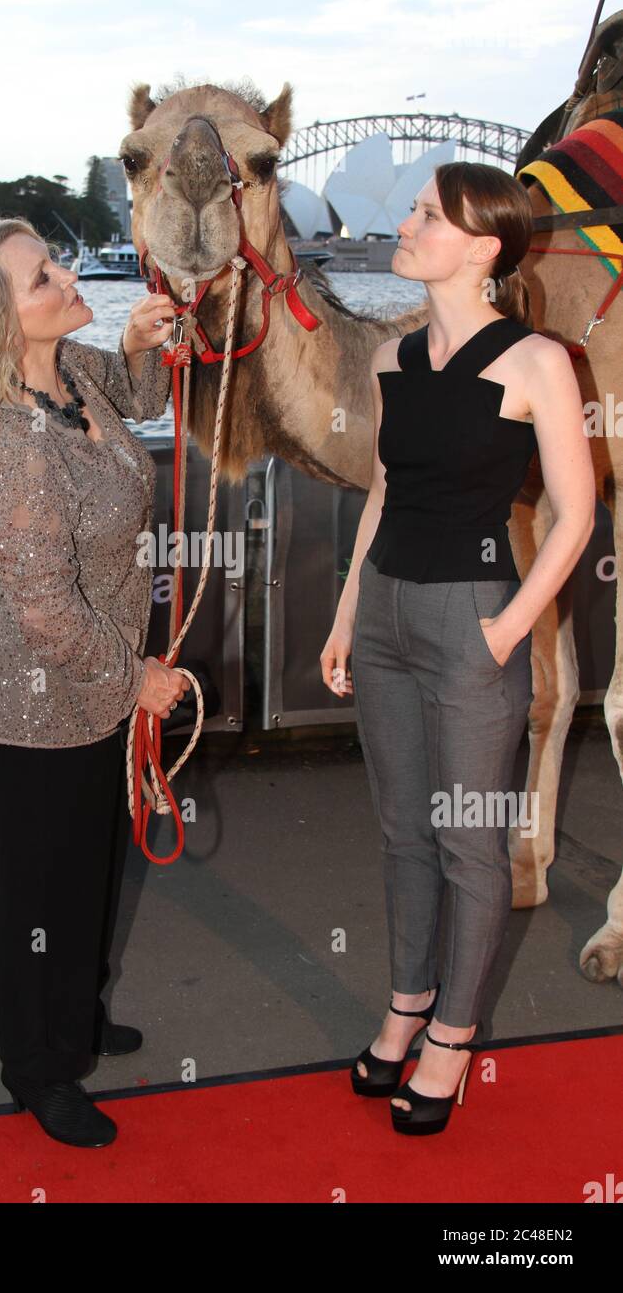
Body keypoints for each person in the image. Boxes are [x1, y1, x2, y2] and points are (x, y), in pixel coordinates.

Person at [320, 162, 594, 1136]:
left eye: (425, 214)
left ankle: (452, 1035)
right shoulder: (392, 360)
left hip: (474, 620)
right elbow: (386, 494)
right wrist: (345, 611)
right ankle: (404, 1004)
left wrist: (507, 627)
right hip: (388, 613)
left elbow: (574, 510)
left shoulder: (536, 363)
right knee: (403, 833)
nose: (404, 222)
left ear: (481, 247)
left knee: (468, 840)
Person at [0, 216, 190, 1149]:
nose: (68, 276)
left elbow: (140, 398)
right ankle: (36, 1066)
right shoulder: (4, 441)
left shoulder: (73, 376)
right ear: (0, 323)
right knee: (40, 892)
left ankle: (76, 1016)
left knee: (96, 865)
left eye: (56, 263)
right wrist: (136, 683)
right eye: (43, 278)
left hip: (97, 676)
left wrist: (142, 346)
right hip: (29, 691)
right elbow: (43, 607)